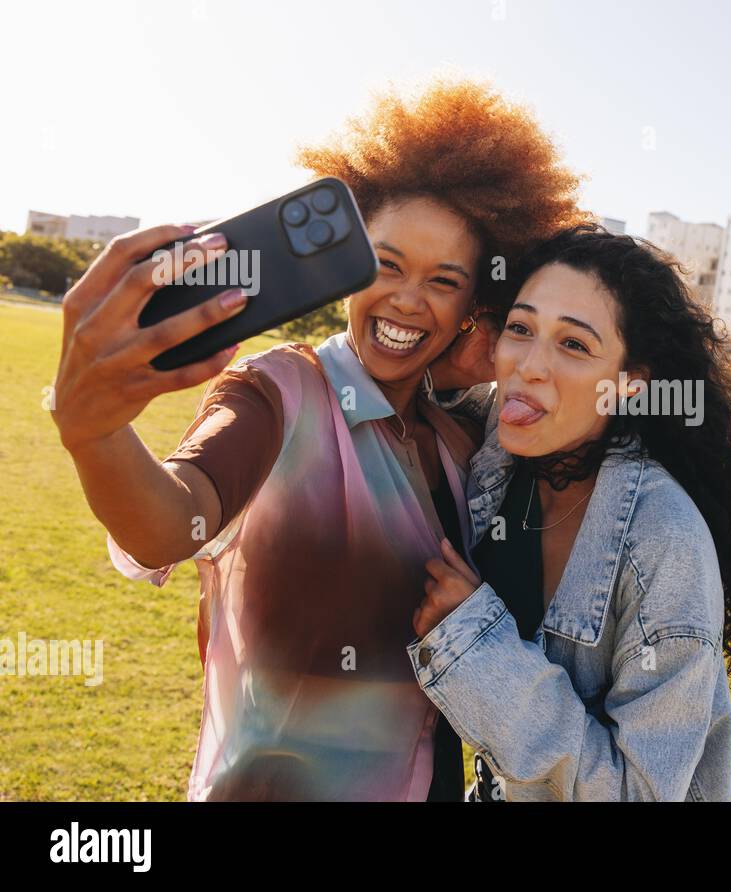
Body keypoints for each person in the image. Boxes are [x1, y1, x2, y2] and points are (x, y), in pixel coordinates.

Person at [50, 79, 585, 801]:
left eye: (443, 281)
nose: (406, 299)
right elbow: (175, 520)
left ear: (471, 307)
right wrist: (95, 434)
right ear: (345, 266)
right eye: (386, 264)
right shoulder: (277, 393)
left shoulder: (461, 437)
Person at [407, 224, 731, 801]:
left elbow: (639, 793)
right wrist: (447, 369)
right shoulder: (505, 438)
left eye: (573, 345)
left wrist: (474, 645)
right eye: (520, 329)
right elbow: (394, 395)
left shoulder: (665, 541)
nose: (530, 366)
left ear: (628, 385)